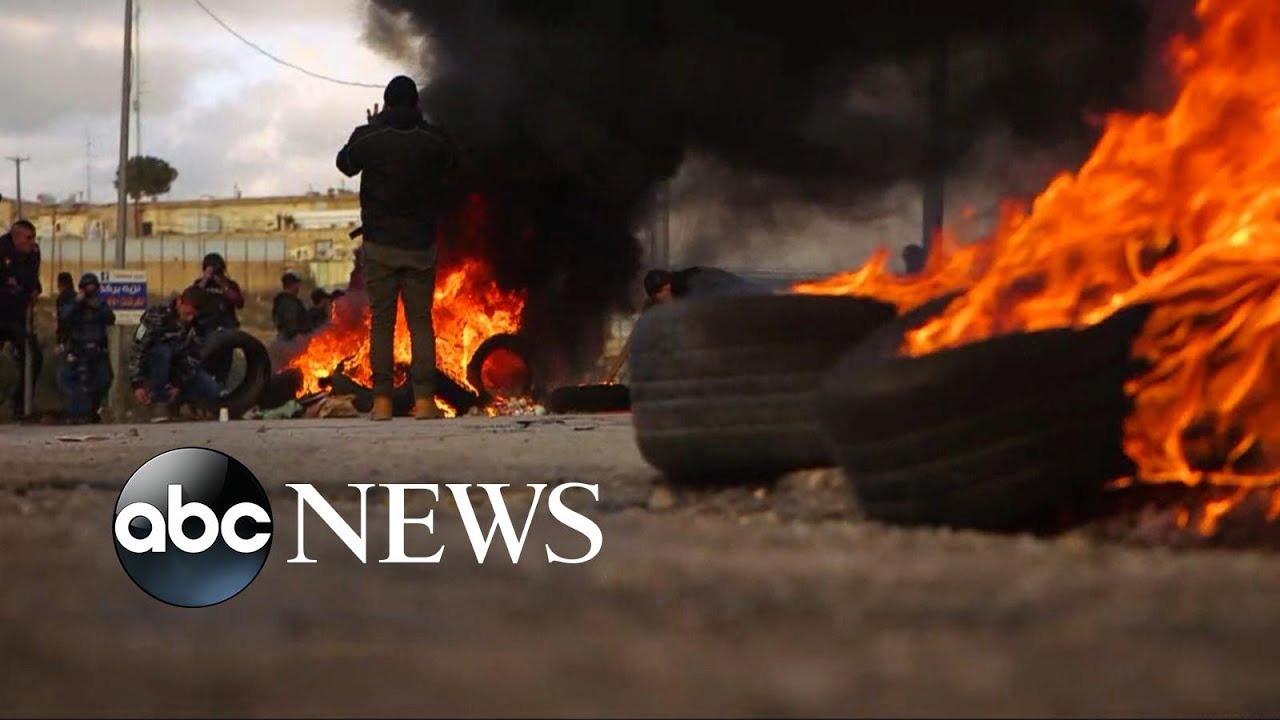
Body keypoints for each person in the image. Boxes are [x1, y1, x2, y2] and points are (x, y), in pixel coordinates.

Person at [337, 75, 460, 421]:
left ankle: (382, 402)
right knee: (421, 323)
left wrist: (372, 125)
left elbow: (345, 164)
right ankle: (424, 402)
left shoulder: (370, 137)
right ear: (416, 105)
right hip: (420, 245)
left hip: (380, 246)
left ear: (387, 104)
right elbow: (453, 162)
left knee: (382, 324)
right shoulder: (432, 139)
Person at [128, 287, 221, 423]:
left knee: (212, 390)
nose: (190, 318)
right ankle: (159, 402)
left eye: (194, 314)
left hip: (179, 368)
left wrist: (178, 384)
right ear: (179, 303)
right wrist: (137, 384)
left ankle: (182, 404)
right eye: (187, 313)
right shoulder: (157, 316)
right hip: (155, 365)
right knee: (163, 352)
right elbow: (138, 348)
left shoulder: (199, 324)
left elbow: (194, 357)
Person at [58, 273, 115, 424]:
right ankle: (77, 415)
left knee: (103, 380)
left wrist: (97, 306)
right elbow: (64, 317)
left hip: (98, 350)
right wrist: (78, 303)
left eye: (92, 287)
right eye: (87, 287)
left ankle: (92, 410)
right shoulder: (74, 305)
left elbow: (110, 318)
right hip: (79, 350)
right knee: (78, 383)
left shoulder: (100, 304)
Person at [0, 219, 43, 415]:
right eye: (28, 238)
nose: (31, 242)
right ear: (15, 237)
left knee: (33, 357)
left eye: (33, 238)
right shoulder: (2, 248)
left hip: (19, 315)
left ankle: (20, 405)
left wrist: (30, 289)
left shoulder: (33, 253)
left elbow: (32, 281)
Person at [642, 266, 762, 307]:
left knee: (764, 294)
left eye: (657, 297)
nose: (659, 301)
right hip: (725, 284)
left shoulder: (687, 288)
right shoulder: (677, 284)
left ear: (666, 287)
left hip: (730, 288)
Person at [191, 252, 245, 334]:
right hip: (206, 326)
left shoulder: (230, 284)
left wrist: (223, 285)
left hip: (227, 325)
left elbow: (239, 303)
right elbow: (192, 299)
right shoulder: (200, 284)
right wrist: (205, 280)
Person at [272, 272, 314, 342]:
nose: (299, 287)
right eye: (297, 284)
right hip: (295, 341)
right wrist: (297, 336)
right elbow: (290, 321)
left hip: (289, 339)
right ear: (292, 285)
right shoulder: (288, 302)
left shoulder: (282, 301)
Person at [53, 271, 75, 350]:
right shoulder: (76, 296)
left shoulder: (61, 298)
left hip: (67, 338)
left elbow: (62, 320)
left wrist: (60, 341)